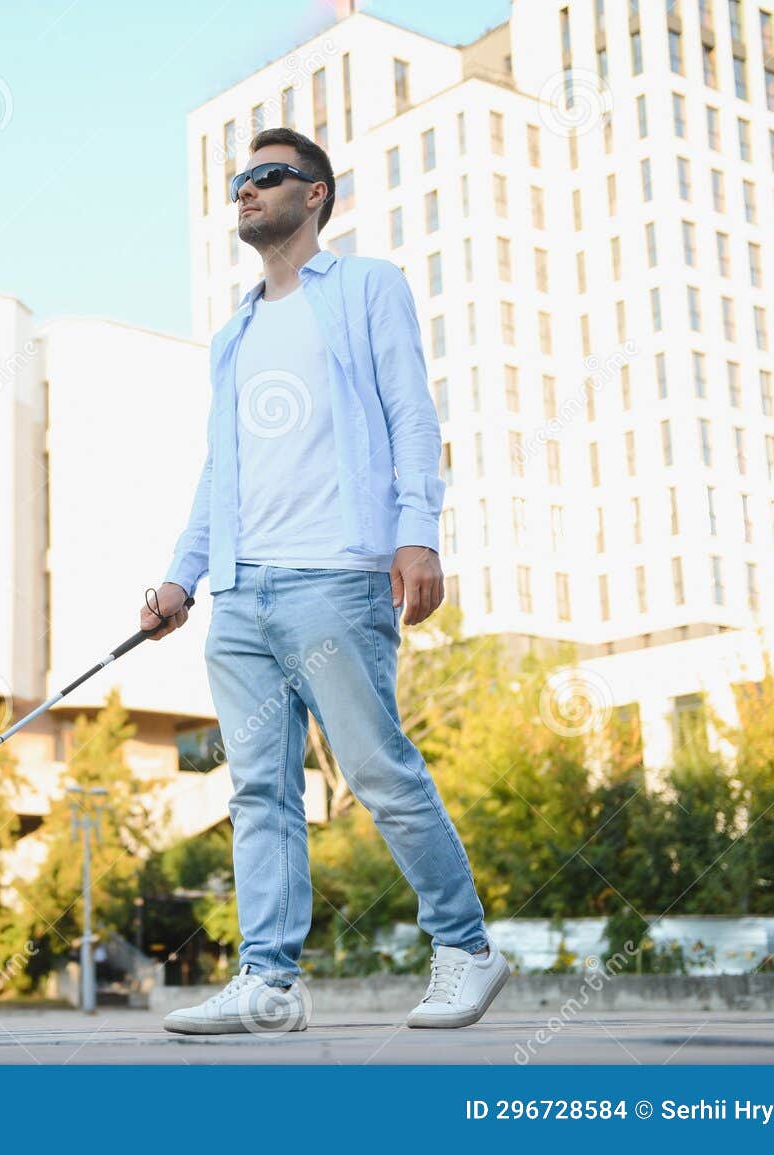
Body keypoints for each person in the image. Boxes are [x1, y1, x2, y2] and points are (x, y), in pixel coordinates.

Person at [149, 127, 509, 1034]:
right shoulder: (233, 335)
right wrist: (181, 578)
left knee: (379, 769)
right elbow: (216, 472)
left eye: (267, 178)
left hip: (336, 578)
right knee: (258, 792)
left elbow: (410, 416)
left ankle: (466, 948)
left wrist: (417, 535)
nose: (246, 191)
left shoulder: (366, 289)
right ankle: (268, 982)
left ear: (314, 195)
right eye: (239, 181)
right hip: (240, 594)